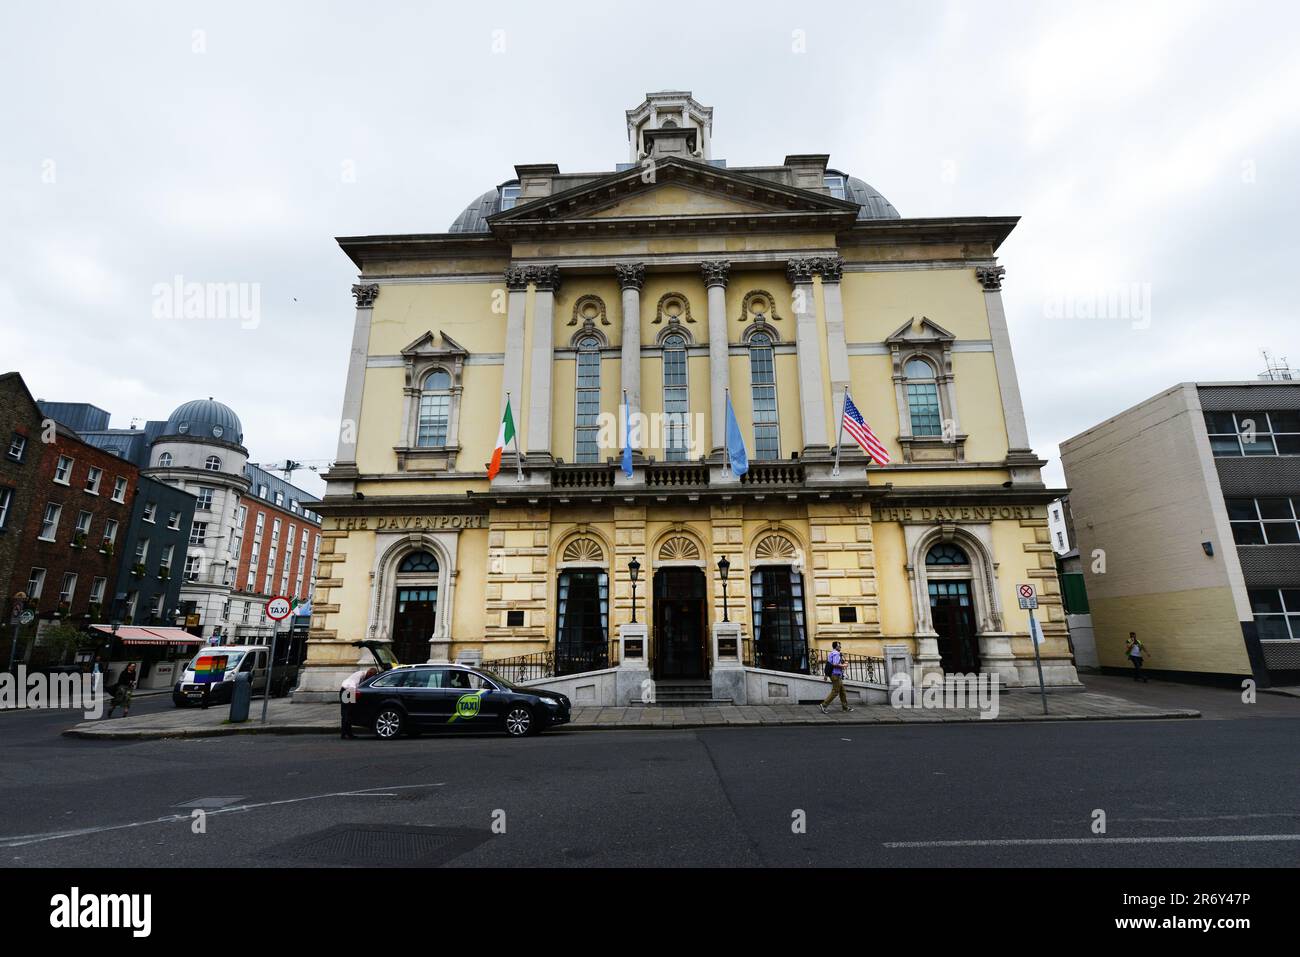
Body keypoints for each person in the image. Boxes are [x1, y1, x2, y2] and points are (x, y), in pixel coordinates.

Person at [339, 666, 377, 738]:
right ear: (369, 673)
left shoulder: (365, 676)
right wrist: (353, 700)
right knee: (345, 713)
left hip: (350, 691)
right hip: (346, 691)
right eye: (370, 676)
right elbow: (352, 686)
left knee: (350, 713)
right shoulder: (360, 674)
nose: (369, 678)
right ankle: (343, 733)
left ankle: (349, 733)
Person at [819, 641, 854, 714]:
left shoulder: (831, 653)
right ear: (836, 647)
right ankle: (824, 705)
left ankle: (845, 707)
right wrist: (844, 665)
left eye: (840, 646)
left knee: (842, 691)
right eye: (839, 646)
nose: (840, 647)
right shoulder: (836, 654)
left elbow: (828, 664)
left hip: (835, 675)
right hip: (835, 675)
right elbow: (835, 664)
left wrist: (826, 675)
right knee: (835, 691)